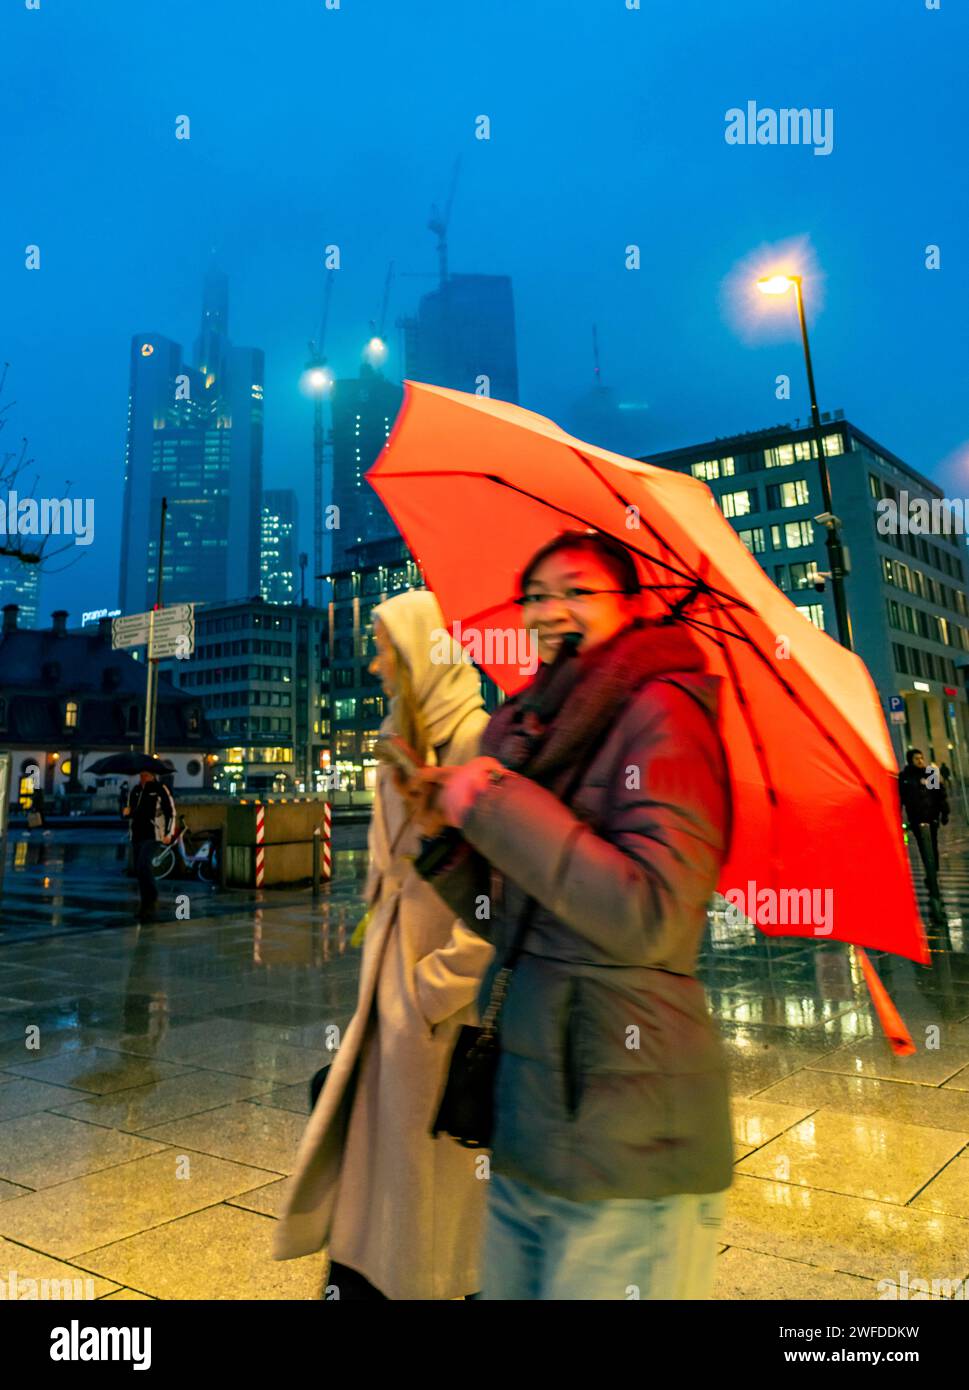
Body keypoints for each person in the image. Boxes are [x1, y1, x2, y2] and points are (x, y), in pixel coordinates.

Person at [409, 529, 734, 1301]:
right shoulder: (538, 729)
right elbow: (514, 920)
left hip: (632, 1132)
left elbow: (652, 916)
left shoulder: (664, 715)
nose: (550, 610)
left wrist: (488, 800)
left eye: (576, 591)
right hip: (531, 1125)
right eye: (536, 595)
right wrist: (445, 838)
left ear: (633, 605)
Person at [274, 589, 495, 1300]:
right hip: (391, 994)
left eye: (385, 650)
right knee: (390, 1180)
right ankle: (373, 1278)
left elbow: (502, 896)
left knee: (433, 1191)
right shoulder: (402, 745)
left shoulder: (476, 744)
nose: (373, 665)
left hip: (436, 1010)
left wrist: (430, 990)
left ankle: (428, 1282)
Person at [899, 748, 948, 909]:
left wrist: (944, 812)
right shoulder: (905, 777)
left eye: (921, 758)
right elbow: (902, 798)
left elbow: (939, 794)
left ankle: (933, 873)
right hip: (917, 820)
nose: (920, 761)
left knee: (933, 847)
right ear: (910, 761)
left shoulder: (930, 773)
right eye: (916, 759)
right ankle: (930, 873)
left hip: (931, 817)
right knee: (923, 848)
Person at [127, 769, 176, 920]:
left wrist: (168, 833)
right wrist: (126, 812)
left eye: (146, 775)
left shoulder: (159, 789)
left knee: (144, 864)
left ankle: (151, 897)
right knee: (139, 869)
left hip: (153, 834)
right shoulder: (135, 791)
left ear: (153, 776)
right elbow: (131, 812)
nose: (143, 778)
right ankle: (145, 903)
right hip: (137, 834)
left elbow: (170, 811)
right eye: (141, 775)